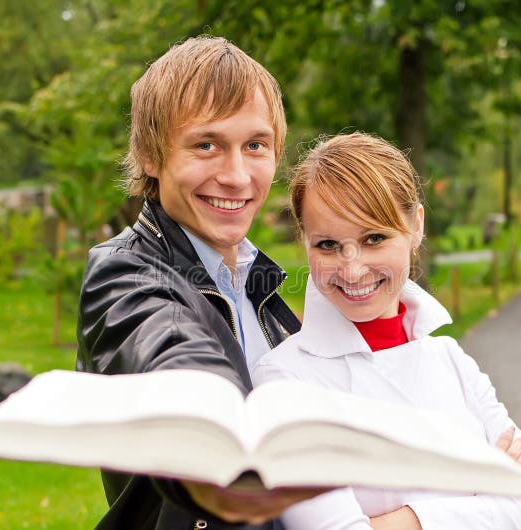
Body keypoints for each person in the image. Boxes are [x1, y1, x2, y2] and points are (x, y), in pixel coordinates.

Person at [252, 132, 521, 529]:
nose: (352, 269)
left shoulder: (451, 361)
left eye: (374, 238)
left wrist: (405, 520)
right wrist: (484, 489)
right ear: (304, 241)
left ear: (416, 226)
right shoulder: (285, 382)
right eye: (328, 245)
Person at [76, 36, 326, 529]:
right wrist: (216, 426)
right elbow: (170, 347)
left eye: (255, 145)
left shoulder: (261, 287)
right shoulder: (123, 275)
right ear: (151, 155)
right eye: (207, 145)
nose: (236, 176)